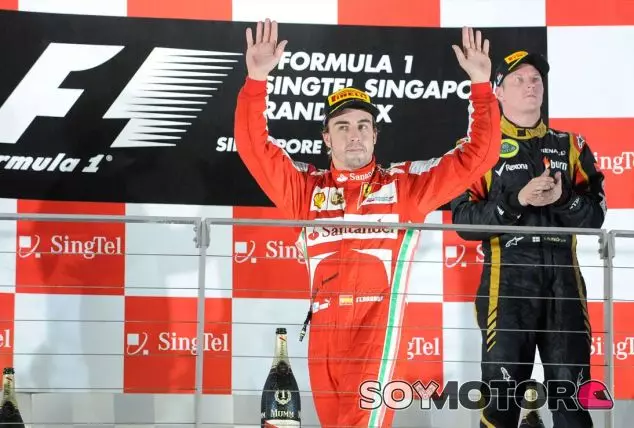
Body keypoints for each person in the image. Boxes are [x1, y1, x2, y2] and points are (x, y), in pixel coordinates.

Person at [234, 19, 501, 427]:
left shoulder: (406, 187)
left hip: (376, 330)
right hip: (322, 333)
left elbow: (477, 157)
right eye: (342, 127)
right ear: (326, 138)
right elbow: (255, 149)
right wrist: (256, 80)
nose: (353, 135)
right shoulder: (304, 191)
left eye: (362, 126)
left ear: (376, 135)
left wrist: (481, 88)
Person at [450, 50, 607, 428]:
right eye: (519, 79)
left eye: (536, 78)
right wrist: (515, 201)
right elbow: (463, 222)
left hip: (565, 287)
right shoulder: (476, 149)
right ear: (499, 92)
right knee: (501, 402)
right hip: (507, 287)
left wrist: (564, 198)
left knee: (572, 401)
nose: (530, 85)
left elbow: (596, 216)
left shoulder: (572, 145)